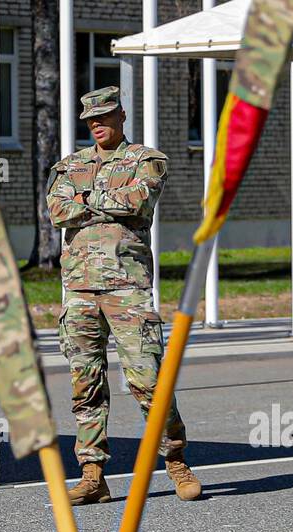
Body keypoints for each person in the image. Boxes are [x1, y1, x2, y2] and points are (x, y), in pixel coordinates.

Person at [46, 86, 201, 505]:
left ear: (121, 117)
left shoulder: (146, 160)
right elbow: (56, 211)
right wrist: (104, 202)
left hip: (127, 288)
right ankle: (93, 473)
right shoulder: (70, 164)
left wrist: (85, 199)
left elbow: (138, 200)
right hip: (79, 289)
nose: (98, 124)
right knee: (86, 384)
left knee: (148, 380)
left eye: (105, 117)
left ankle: (175, 461)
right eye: (91, 120)